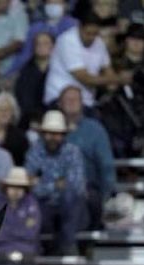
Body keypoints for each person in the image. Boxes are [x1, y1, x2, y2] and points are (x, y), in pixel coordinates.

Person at [24, 110, 86, 255]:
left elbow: (75, 185)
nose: (53, 138)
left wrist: (44, 184)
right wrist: (55, 185)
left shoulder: (73, 152)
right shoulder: (34, 151)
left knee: (71, 198)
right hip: (44, 205)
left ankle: (68, 245)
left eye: (57, 134)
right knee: (34, 206)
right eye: (49, 133)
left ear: (64, 135)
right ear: (42, 134)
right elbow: (30, 186)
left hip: (70, 206)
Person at [57, 86, 116, 233]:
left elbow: (106, 165)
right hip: (56, 186)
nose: (71, 102)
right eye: (67, 99)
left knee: (88, 201)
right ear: (60, 104)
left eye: (75, 99)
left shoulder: (95, 129)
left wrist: (106, 194)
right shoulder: (50, 129)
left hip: (88, 187)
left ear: (82, 103)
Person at [44, 8, 131, 107]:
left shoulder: (99, 42)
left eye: (95, 34)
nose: (91, 37)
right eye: (88, 33)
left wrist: (114, 84)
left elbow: (108, 70)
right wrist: (117, 79)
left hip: (86, 102)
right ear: (80, 27)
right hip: (59, 99)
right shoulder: (67, 41)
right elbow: (84, 78)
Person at [8, 0, 79, 75]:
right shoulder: (35, 27)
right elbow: (25, 54)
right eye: (49, 3)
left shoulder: (74, 26)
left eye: (56, 3)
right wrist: (11, 73)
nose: (52, 6)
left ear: (65, 5)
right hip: (36, 72)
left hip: (64, 71)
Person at [14, 30, 54, 127]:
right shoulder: (25, 71)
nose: (41, 46)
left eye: (45, 43)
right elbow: (24, 100)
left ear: (53, 47)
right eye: (38, 43)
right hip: (31, 120)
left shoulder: (59, 70)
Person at [0, 91, 30, 164]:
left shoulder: (20, 137)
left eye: (8, 110)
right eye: (0, 109)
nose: (4, 113)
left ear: (13, 113)